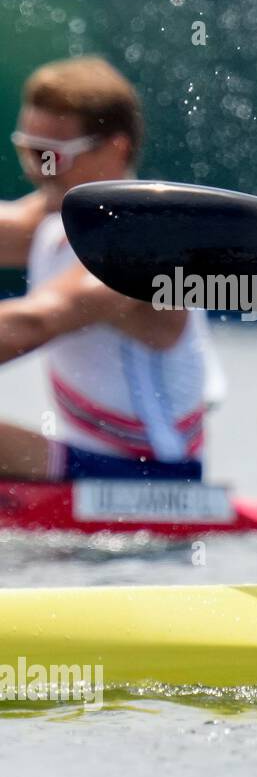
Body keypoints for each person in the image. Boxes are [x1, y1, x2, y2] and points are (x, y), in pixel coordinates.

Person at [0, 56, 221, 481]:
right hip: (80, 461)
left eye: (50, 155)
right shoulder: (51, 218)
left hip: (151, 475)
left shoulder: (140, 243)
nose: (36, 170)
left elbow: (33, 321)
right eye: (26, 149)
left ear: (114, 149)